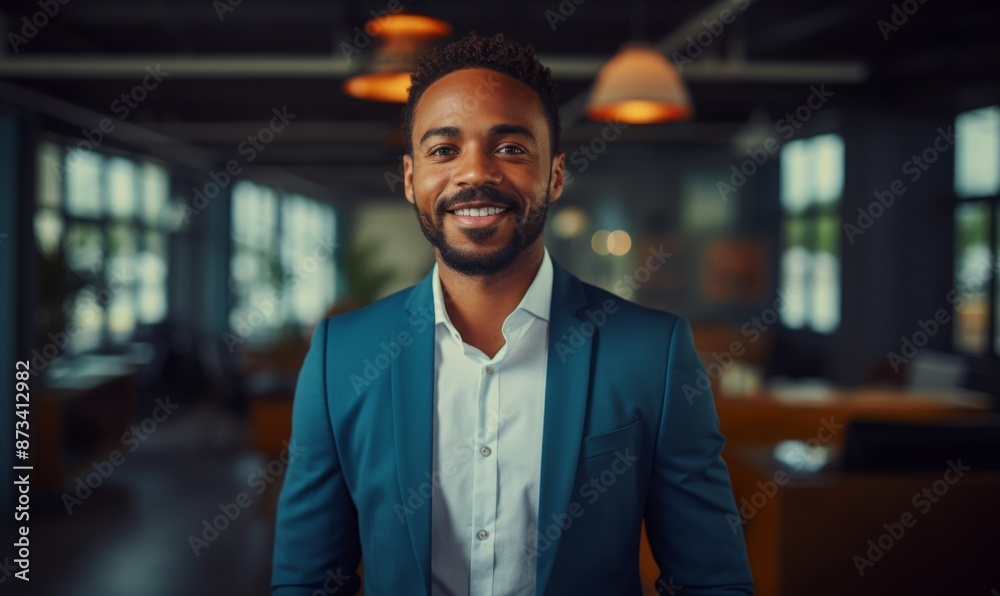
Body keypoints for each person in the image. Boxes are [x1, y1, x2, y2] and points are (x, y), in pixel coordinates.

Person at [270, 32, 754, 596]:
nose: (475, 174)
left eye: (511, 148)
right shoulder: (340, 356)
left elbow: (712, 581)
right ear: (410, 178)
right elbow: (307, 582)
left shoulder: (654, 353)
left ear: (554, 175)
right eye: (444, 150)